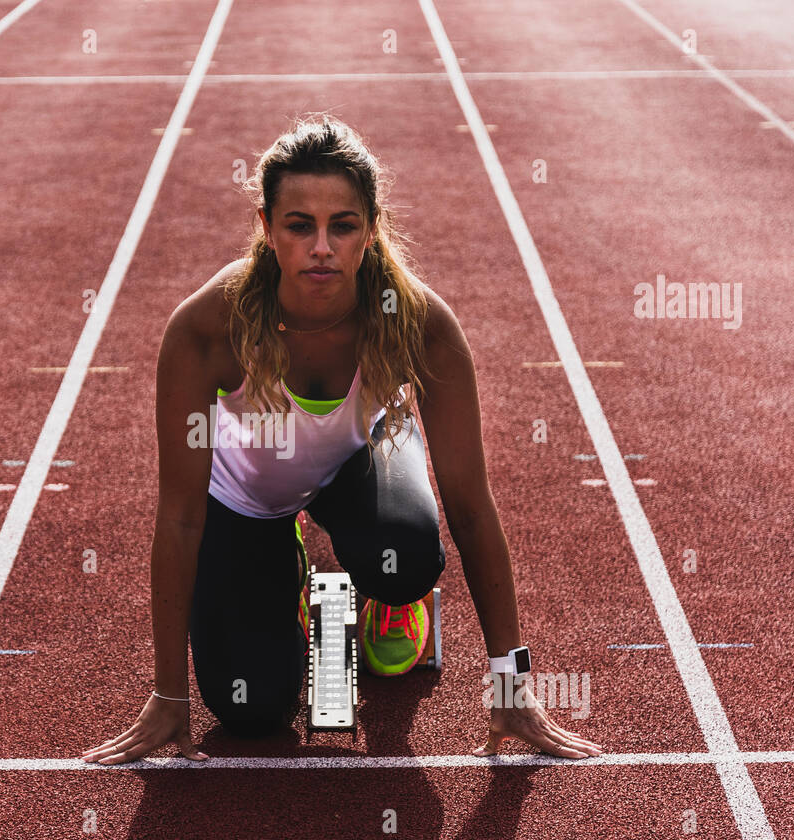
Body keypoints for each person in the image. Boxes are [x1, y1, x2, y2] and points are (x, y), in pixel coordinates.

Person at [82, 115, 601, 765]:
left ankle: (391, 598)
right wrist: (168, 695)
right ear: (268, 230)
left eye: (343, 225)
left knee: (405, 553)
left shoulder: (419, 325)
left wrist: (511, 682)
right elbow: (182, 516)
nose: (321, 246)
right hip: (248, 502)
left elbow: (471, 506)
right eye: (300, 225)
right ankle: (293, 569)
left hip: (362, 459)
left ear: (371, 229)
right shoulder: (205, 330)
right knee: (252, 709)